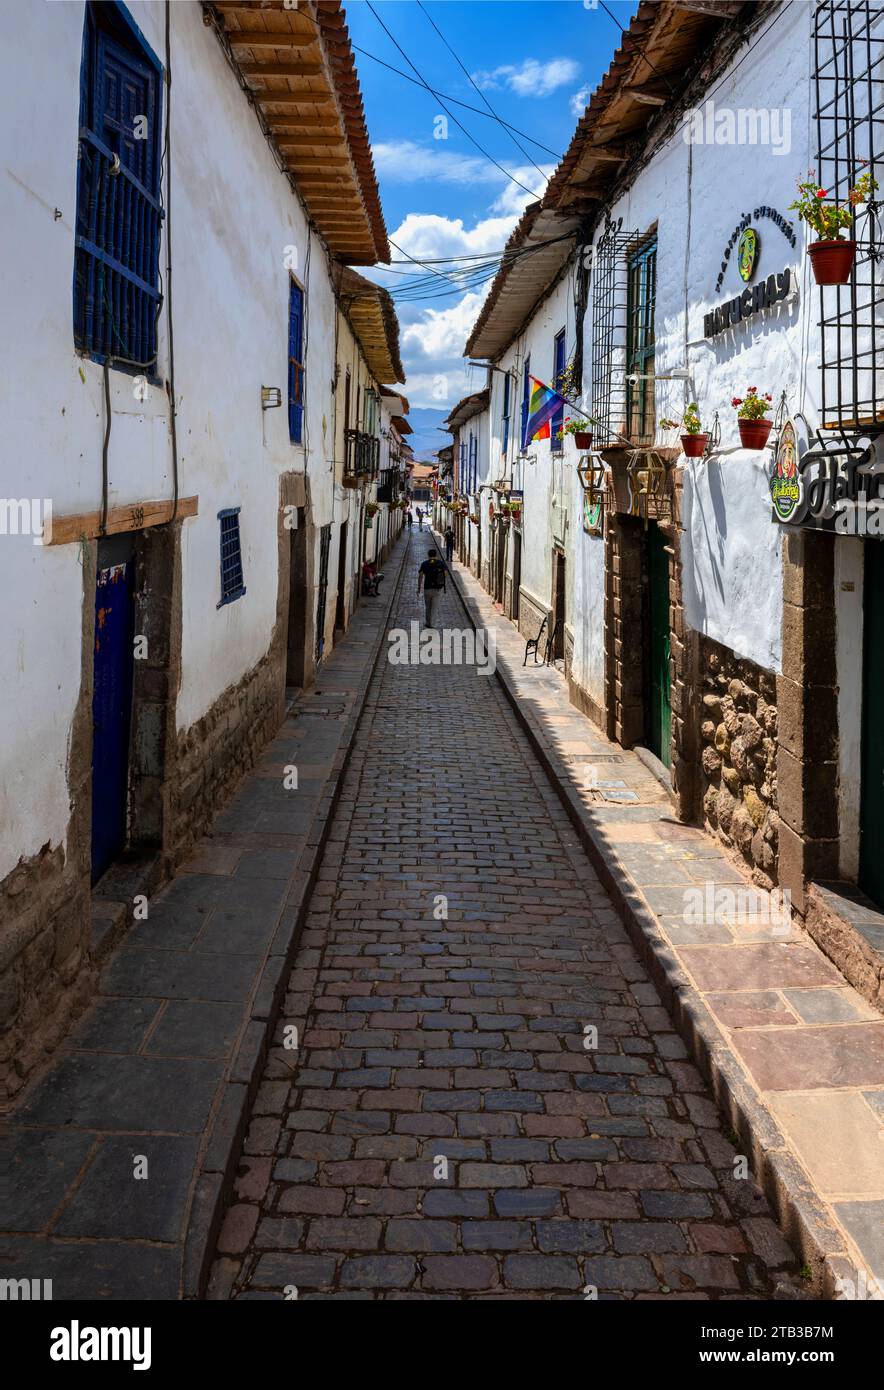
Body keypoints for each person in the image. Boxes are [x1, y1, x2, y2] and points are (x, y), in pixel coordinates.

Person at [417, 547, 446, 629]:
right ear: (436, 555)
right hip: (437, 589)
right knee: (434, 607)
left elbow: (420, 576)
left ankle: (428, 622)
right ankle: (433, 624)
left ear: (428, 555)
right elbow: (446, 574)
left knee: (428, 607)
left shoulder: (424, 564)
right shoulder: (441, 563)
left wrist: (419, 588)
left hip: (427, 588)